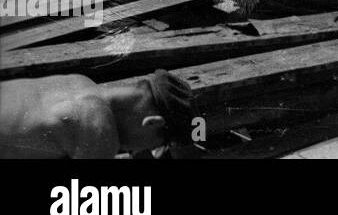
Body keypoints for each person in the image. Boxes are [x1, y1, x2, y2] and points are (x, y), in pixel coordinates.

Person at [0, 70, 193, 159]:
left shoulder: (78, 80)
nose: (136, 151)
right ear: (152, 123)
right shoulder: (99, 130)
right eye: (155, 145)